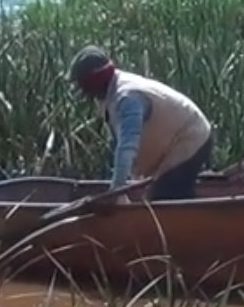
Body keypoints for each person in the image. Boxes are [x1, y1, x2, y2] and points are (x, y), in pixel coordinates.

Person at [68, 45, 213, 202]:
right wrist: (116, 182)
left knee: (166, 198)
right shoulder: (110, 94)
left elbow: (126, 147)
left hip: (191, 137)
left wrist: (116, 191)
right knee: (160, 195)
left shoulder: (127, 98)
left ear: (94, 81)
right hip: (174, 143)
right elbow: (116, 144)